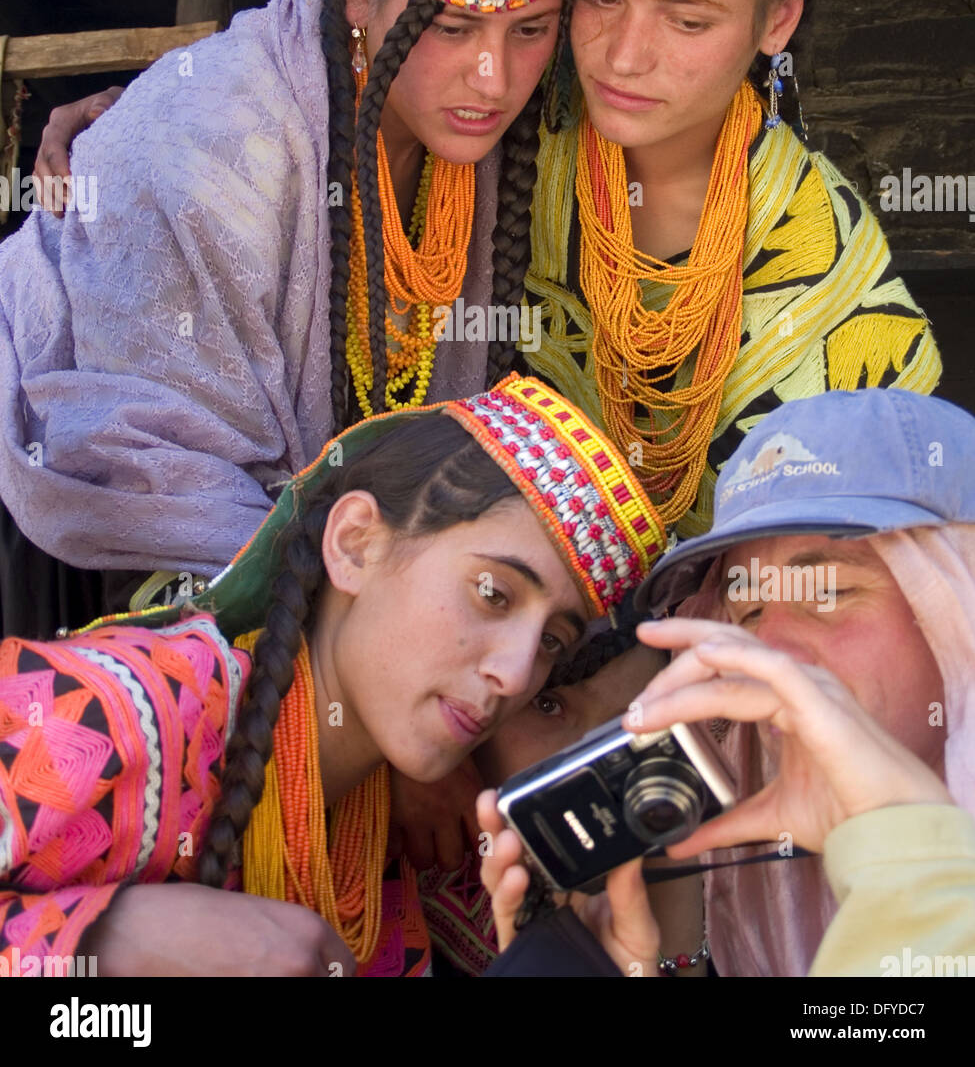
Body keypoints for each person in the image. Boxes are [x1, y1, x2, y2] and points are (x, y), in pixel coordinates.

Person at [0, 0, 578, 636]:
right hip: (102, 576)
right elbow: (174, 502)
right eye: (451, 27)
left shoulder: (497, 137)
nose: (493, 79)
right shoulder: (205, 149)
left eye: (529, 30)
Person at [0, 374, 667, 978]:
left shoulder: (403, 861)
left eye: (552, 642)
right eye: (492, 594)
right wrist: (108, 940)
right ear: (355, 545)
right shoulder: (117, 707)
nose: (515, 673)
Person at [522, 0, 941, 537]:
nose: (622, 55)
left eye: (687, 20)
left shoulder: (832, 282)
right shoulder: (501, 168)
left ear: (775, 20)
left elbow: (864, 570)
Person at [480, 386, 975, 976]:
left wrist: (908, 860)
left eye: (828, 592)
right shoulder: (770, 898)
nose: (766, 653)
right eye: (747, 614)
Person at [417, 613, 708, 977]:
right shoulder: (383, 839)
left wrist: (678, 891)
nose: (580, 764)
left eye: (622, 731)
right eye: (549, 705)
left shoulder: (669, 870)